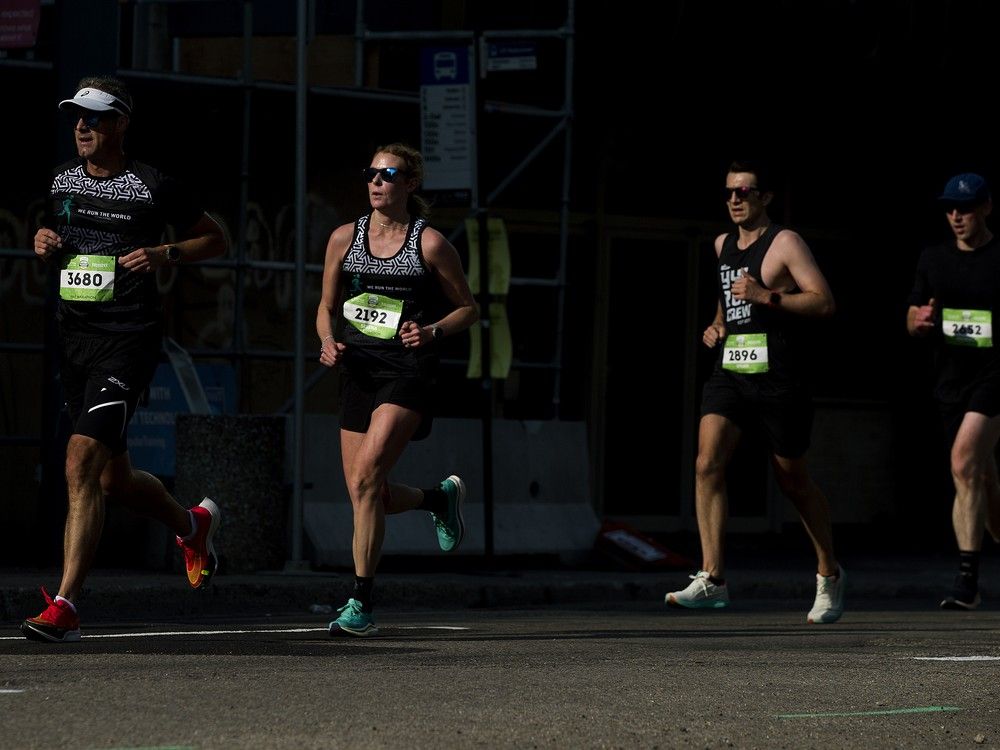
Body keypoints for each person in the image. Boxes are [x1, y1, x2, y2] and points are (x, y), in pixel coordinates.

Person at [22, 76, 228, 643]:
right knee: (113, 481)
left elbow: (216, 238)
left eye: (94, 117)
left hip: (128, 340)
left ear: (120, 124)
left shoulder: (152, 184)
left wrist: (166, 253)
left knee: (78, 461)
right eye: (76, 117)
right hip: (76, 341)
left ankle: (64, 605)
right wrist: (42, 240)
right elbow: (51, 234)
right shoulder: (62, 179)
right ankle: (194, 525)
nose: (82, 127)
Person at [665, 159, 846, 623]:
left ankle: (829, 573)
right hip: (731, 371)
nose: (735, 200)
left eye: (744, 192)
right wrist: (717, 325)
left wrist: (769, 296)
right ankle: (713, 579)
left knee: (792, 480)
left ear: (765, 197)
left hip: (780, 374)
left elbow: (823, 301)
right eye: (729, 192)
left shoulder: (785, 242)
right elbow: (729, 300)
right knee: (707, 462)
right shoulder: (723, 243)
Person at [316, 142, 478, 637]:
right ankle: (437, 500)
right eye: (372, 172)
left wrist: (432, 331)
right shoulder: (345, 237)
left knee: (366, 479)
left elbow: (468, 308)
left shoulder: (428, 244)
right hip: (357, 372)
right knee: (368, 494)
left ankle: (360, 602)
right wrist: (326, 342)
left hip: (406, 371)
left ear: (411, 184)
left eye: (389, 173)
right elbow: (325, 307)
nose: (377, 181)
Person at [907, 172, 1000, 610]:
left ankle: (967, 581)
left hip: (994, 376)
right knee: (980, 477)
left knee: (963, 462)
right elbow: (911, 314)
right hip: (949, 380)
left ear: (986, 207)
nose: (956, 216)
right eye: (949, 208)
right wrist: (918, 321)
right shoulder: (934, 258)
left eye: (965, 207)